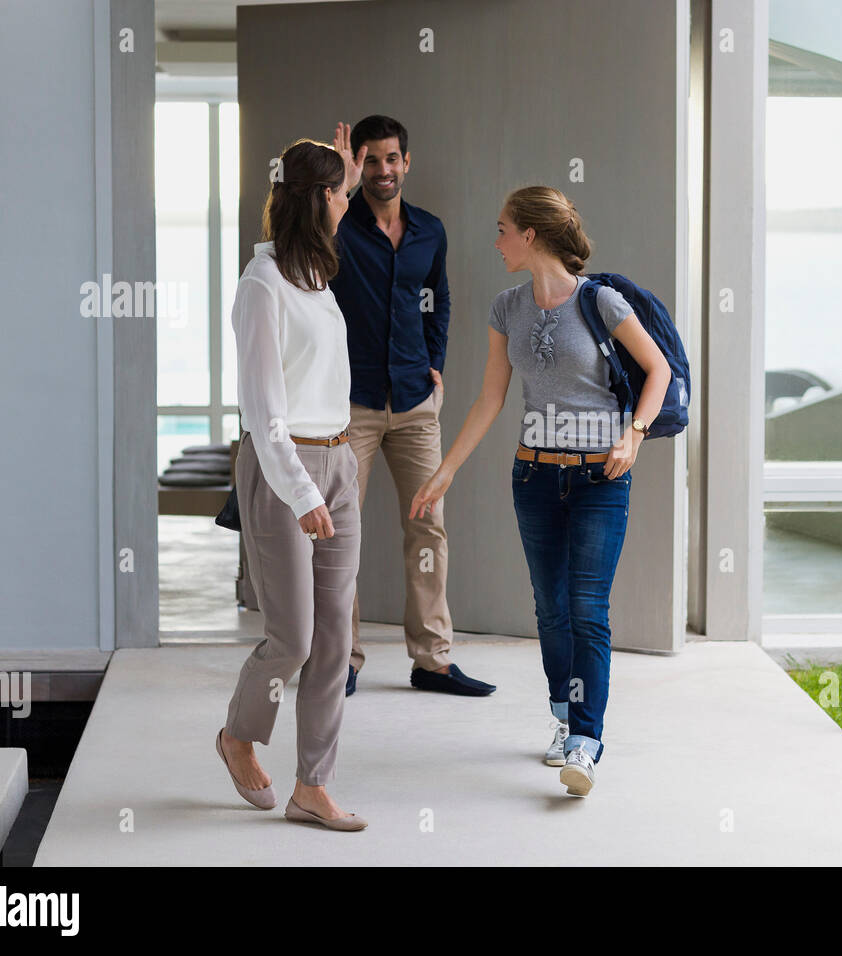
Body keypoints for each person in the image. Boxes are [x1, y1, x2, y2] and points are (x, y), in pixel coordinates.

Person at [409, 186, 671, 796]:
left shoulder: (601, 301)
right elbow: (491, 398)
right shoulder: (507, 307)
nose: (495, 240)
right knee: (551, 609)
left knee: (588, 608)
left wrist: (633, 435)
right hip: (533, 475)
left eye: (502, 229)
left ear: (531, 235)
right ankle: (564, 714)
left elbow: (657, 369)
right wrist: (447, 468)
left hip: (599, 479)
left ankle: (586, 737)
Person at [217, 138, 367, 831]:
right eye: (339, 194)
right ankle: (239, 735)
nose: (348, 203)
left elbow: (317, 381)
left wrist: (348, 175)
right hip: (285, 470)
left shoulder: (315, 274)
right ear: (316, 202)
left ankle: (312, 786)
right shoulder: (263, 285)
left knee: (336, 637)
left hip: (339, 461)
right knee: (294, 637)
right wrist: (303, 493)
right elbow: (263, 409)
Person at [327, 115, 495, 698]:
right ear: (360, 166)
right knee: (340, 533)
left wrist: (436, 360)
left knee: (429, 529)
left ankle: (432, 660)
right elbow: (297, 253)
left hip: (416, 403)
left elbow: (439, 299)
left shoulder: (430, 231)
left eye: (391, 159)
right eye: (370, 160)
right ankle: (339, 660)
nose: (383, 171)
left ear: (407, 162)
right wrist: (340, 188)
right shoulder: (338, 226)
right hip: (352, 405)